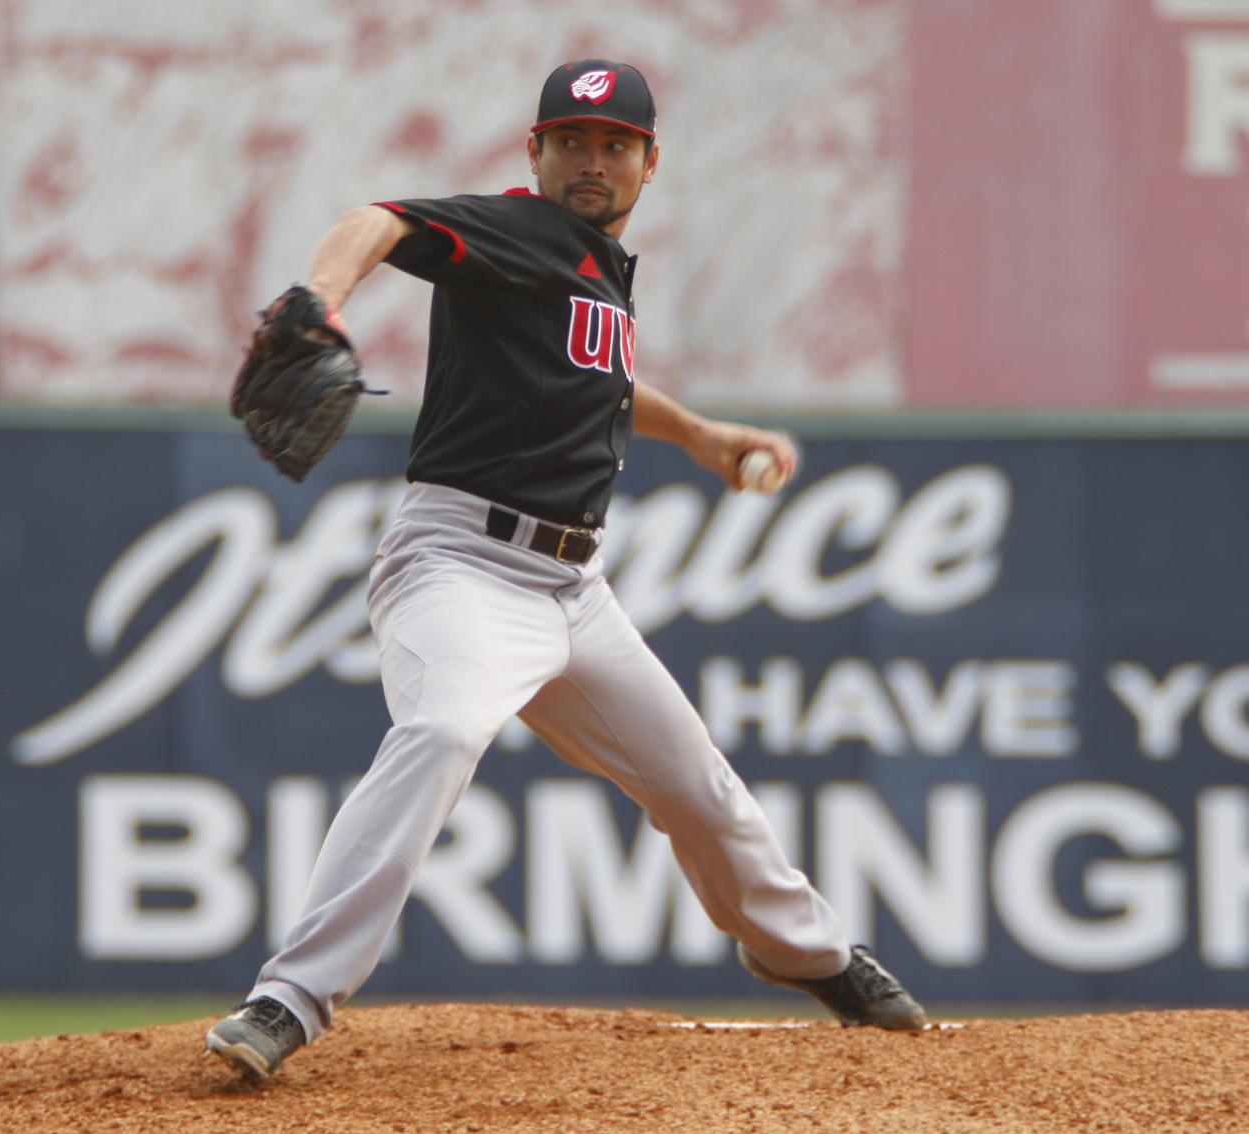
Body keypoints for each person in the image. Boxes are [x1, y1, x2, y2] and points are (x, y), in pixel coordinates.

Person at [207, 58, 925, 1082]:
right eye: (573, 141)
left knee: (696, 785)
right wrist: (318, 300)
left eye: (614, 145)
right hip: (458, 566)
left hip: (570, 591)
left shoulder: (590, 267)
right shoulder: (524, 231)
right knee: (445, 729)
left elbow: (604, 375)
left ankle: (806, 954)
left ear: (648, 163)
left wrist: (703, 435)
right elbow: (375, 222)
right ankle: (288, 998)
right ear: (534, 153)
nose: (593, 161)